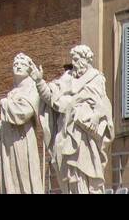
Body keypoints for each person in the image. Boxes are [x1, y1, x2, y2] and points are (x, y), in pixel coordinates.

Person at [32, 45, 113, 194]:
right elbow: (51, 99)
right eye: (73, 60)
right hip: (65, 134)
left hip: (85, 138)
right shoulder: (66, 79)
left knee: (86, 175)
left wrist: (95, 117)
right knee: (70, 177)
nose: (74, 63)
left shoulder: (96, 78)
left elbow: (103, 105)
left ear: (86, 60)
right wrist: (39, 82)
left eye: (76, 59)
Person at [0, 53, 46, 194]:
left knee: (24, 177)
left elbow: (24, 113)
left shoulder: (33, 89)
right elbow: (4, 120)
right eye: (15, 64)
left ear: (29, 68)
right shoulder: (13, 92)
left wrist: (5, 103)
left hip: (22, 139)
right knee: (11, 178)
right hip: (9, 140)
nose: (18, 66)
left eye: (22, 64)